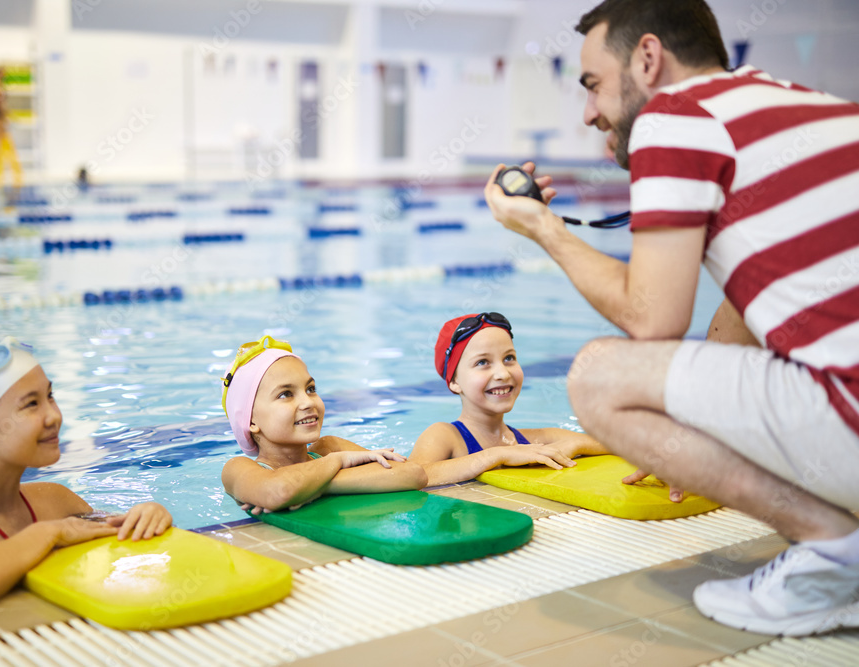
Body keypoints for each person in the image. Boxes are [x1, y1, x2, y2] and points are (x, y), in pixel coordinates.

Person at [483, 0, 859, 637]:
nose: (589, 112)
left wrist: (543, 227)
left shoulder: (676, 117)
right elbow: (748, 303)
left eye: (594, 84)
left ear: (648, 59)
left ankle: (835, 553)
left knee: (600, 375)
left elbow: (650, 319)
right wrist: (682, 440)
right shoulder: (809, 105)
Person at [0, 336, 172, 609]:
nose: (54, 416)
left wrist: (146, 516)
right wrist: (50, 532)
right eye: (31, 404)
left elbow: (115, 534)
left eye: (49, 396)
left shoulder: (57, 500)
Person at [220, 336, 427, 514]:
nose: (309, 402)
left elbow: (413, 474)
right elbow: (278, 491)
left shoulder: (328, 448)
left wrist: (312, 486)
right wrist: (339, 461)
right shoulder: (237, 468)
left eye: (310, 389)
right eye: (285, 394)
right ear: (251, 421)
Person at [410, 312, 606, 486]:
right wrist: (498, 455)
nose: (502, 373)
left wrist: (575, 444)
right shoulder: (445, 436)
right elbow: (411, 476)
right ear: (454, 381)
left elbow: (613, 443)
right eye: (482, 362)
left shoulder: (535, 439)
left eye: (509, 358)